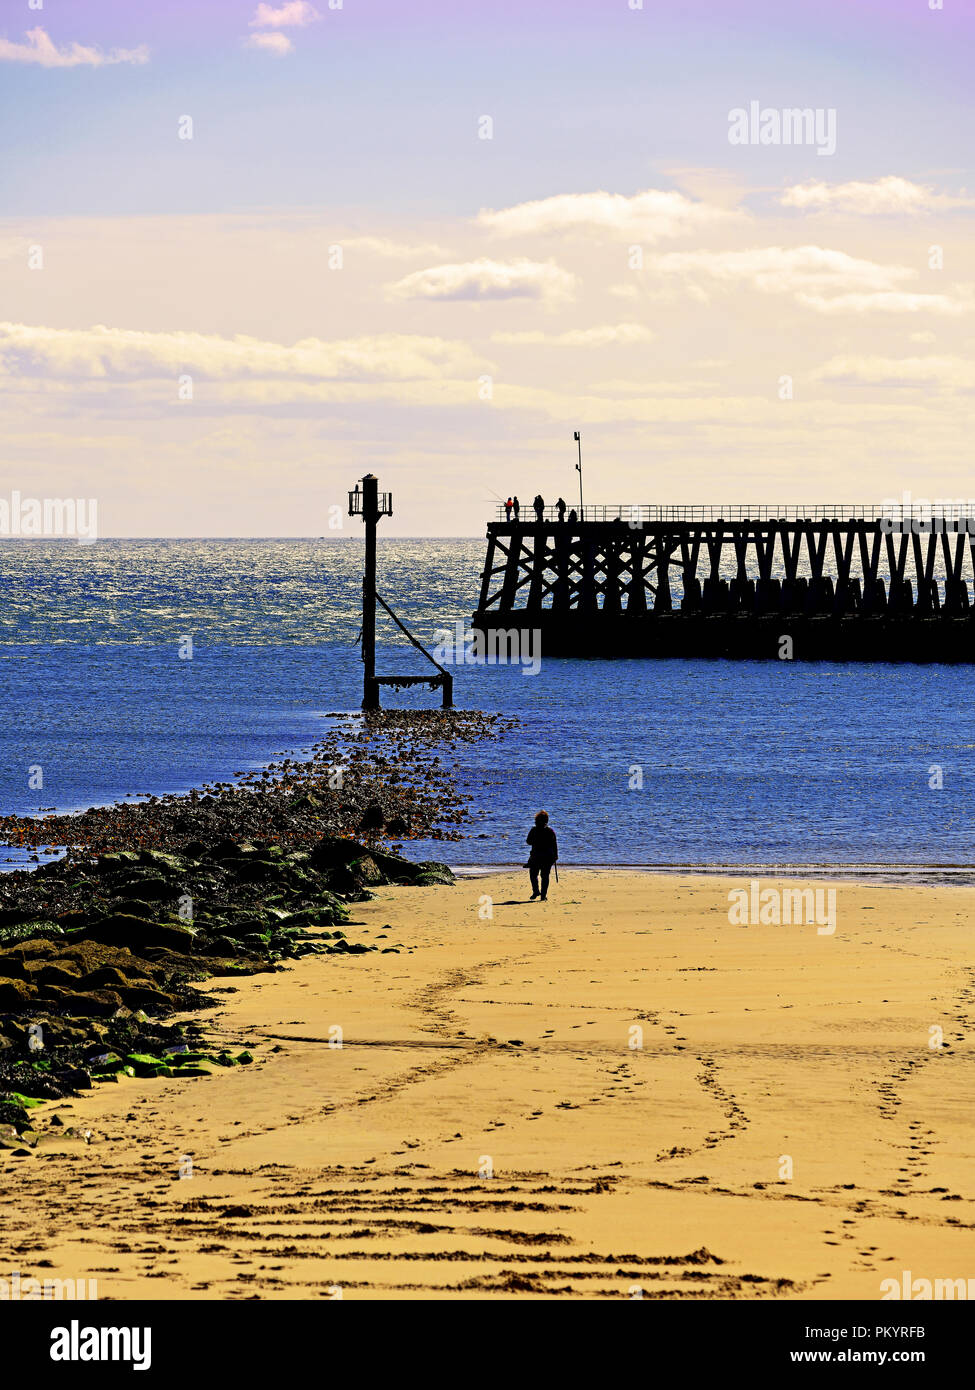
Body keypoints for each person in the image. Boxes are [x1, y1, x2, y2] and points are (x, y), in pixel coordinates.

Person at [526, 809, 558, 901]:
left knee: (533, 874)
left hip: (536, 856)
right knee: (545, 876)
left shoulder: (534, 830)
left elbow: (528, 842)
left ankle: (536, 891)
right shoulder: (550, 831)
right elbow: (554, 844)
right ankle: (543, 896)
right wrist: (556, 855)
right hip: (548, 857)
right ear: (546, 821)